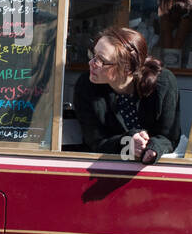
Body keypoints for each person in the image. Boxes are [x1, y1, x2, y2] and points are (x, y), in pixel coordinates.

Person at [73, 26, 180, 164]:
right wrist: (128, 142)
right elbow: (94, 141)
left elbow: (170, 137)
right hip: (106, 168)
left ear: (127, 68)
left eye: (101, 60)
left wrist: (153, 148)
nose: (91, 63)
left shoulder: (163, 83)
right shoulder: (86, 85)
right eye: (93, 55)